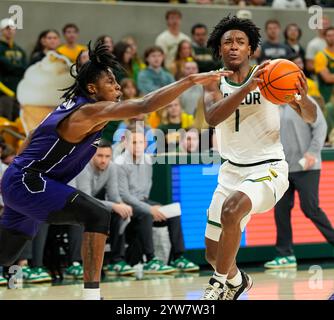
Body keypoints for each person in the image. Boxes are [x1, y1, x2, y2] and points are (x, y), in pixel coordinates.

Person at [0, 41, 226, 300]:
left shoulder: (72, 108)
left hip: (22, 181)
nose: (118, 87)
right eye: (111, 82)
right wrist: (189, 81)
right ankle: (91, 296)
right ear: (92, 88)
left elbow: (29, 141)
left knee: (5, 255)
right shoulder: (87, 112)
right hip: (30, 183)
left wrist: (15, 182)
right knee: (97, 214)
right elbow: (143, 106)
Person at [201, 15, 317, 300]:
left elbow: (311, 116)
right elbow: (213, 117)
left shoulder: (270, 77)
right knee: (213, 254)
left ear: (251, 49)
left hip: (269, 169)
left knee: (231, 210)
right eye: (227, 42)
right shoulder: (212, 83)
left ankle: (217, 286)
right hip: (230, 172)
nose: (233, 46)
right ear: (218, 49)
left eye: (241, 42)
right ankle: (237, 280)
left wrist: (302, 98)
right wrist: (247, 87)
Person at [115, 126, 199, 272]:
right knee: (147, 213)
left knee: (174, 211)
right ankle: (151, 259)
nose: (138, 146)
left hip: (143, 201)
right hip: (126, 205)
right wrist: (148, 208)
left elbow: (147, 187)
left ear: (146, 144)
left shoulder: (148, 160)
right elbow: (124, 195)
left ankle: (178, 257)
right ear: (126, 143)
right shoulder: (119, 163)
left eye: (141, 142)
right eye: (134, 142)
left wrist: (151, 205)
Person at [264, 97, 334, 269]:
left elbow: (321, 126)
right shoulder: (271, 105)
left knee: (310, 208)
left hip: (307, 166)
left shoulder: (304, 101)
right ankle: (285, 254)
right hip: (282, 169)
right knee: (280, 210)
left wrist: (313, 152)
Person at [73, 142, 134, 276]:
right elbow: (86, 199)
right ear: (91, 156)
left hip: (92, 207)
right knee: (85, 216)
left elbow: (114, 196)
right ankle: (76, 263)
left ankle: (117, 261)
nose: (103, 160)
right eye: (99, 156)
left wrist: (122, 205)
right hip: (76, 205)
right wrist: (114, 205)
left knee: (120, 214)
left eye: (107, 156)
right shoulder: (84, 167)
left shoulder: (111, 167)